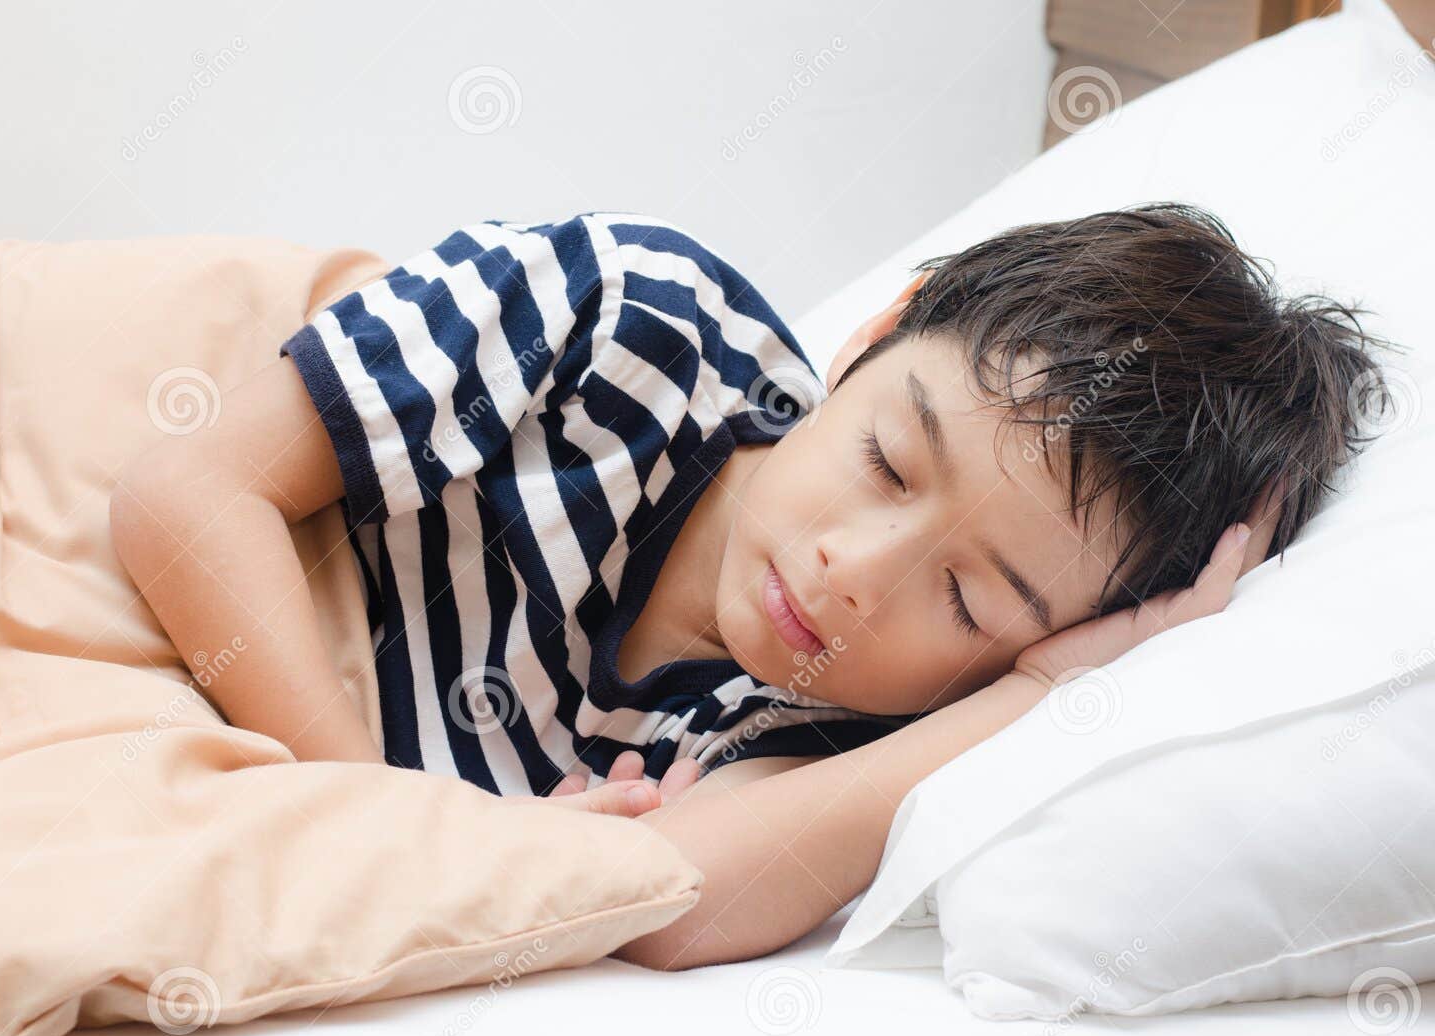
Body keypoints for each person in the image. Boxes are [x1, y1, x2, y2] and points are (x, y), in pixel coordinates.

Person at [110, 204, 1387, 968]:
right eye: (888, 460)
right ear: (874, 336)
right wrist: (404, 829)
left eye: (967, 601)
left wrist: (1039, 695)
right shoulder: (619, 321)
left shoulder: (842, 718)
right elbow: (184, 496)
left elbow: (665, 908)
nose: (851, 578)